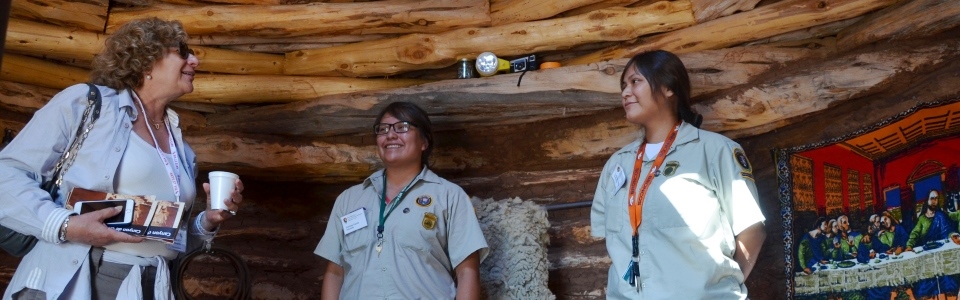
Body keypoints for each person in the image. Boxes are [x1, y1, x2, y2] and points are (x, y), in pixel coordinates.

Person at [0, 18, 243, 299]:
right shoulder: (86, 104)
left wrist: (208, 222)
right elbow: (6, 174)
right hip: (80, 277)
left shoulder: (180, 146)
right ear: (147, 62)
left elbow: (167, 238)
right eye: (182, 52)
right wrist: (65, 225)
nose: (195, 61)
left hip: (151, 285)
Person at [590, 50, 766, 298]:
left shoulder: (715, 151)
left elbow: (752, 229)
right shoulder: (616, 165)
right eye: (623, 85)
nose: (625, 92)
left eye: (635, 81)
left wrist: (721, 289)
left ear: (668, 87)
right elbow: (611, 240)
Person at [314, 102, 489, 299]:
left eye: (402, 127)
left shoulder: (450, 196)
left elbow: (467, 272)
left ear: (424, 142)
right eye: (383, 129)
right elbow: (335, 273)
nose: (390, 135)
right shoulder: (349, 199)